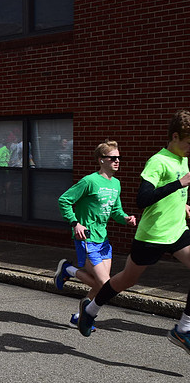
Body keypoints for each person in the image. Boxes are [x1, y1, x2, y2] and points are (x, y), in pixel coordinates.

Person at [76, 110, 190, 355]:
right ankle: (90, 311)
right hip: (152, 235)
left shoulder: (183, 159)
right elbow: (143, 199)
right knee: (126, 279)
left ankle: (183, 330)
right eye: (188, 143)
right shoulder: (158, 161)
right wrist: (179, 184)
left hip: (178, 230)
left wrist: (184, 204)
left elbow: (173, 196)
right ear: (175, 136)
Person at [54, 141, 136, 330]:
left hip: (103, 240)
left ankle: (78, 316)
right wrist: (75, 223)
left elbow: (115, 210)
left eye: (118, 158)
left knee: (103, 286)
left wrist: (126, 218)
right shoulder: (89, 181)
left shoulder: (116, 183)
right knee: (106, 284)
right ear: (101, 160)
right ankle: (69, 270)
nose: (117, 161)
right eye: (112, 158)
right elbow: (64, 200)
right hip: (87, 238)